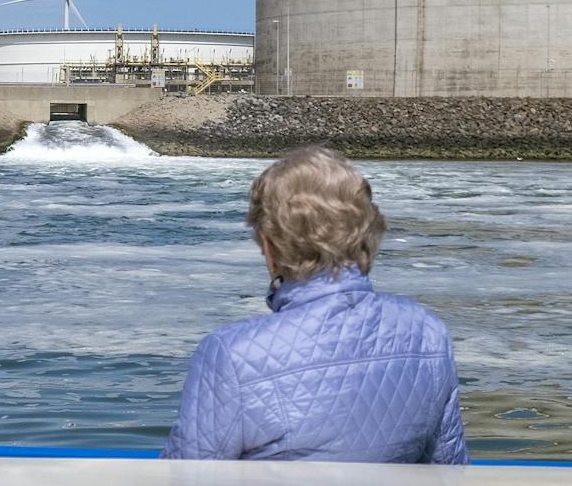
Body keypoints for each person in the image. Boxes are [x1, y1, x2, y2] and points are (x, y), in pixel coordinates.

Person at [164, 146, 467, 463]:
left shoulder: (230, 354)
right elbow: (449, 471)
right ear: (367, 232)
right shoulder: (430, 334)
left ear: (269, 245)